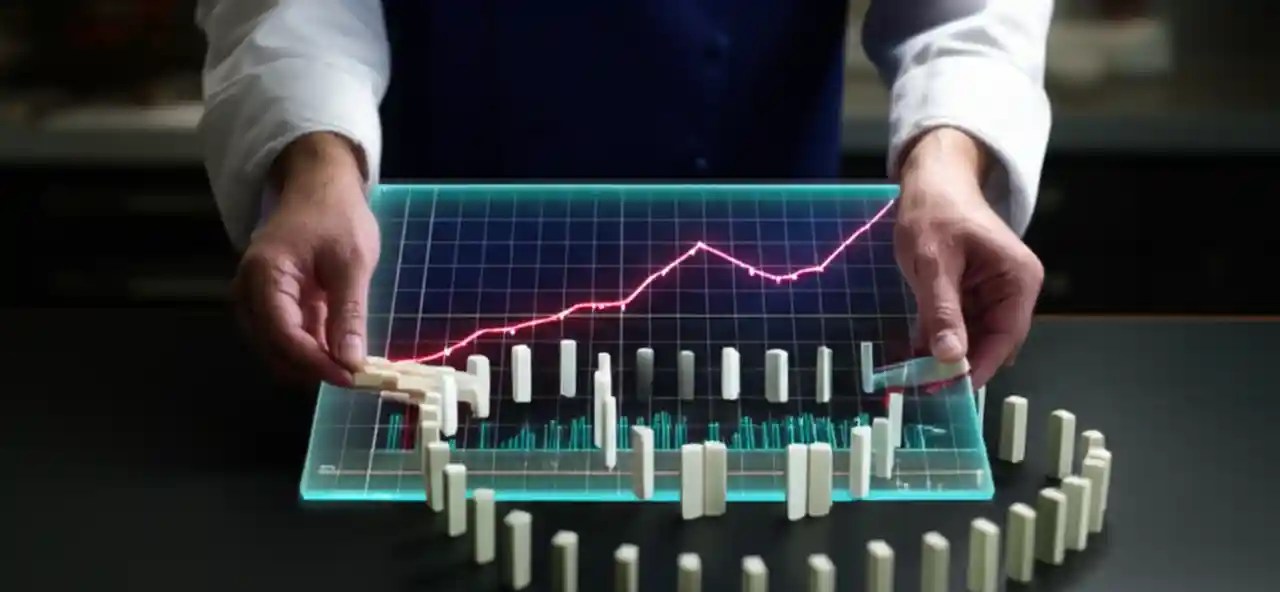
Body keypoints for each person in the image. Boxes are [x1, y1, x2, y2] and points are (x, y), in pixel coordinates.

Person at [197, 1, 1049, 389]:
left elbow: (960, 15)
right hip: (416, 280)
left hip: (758, 286)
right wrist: (315, 165)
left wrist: (949, 161)